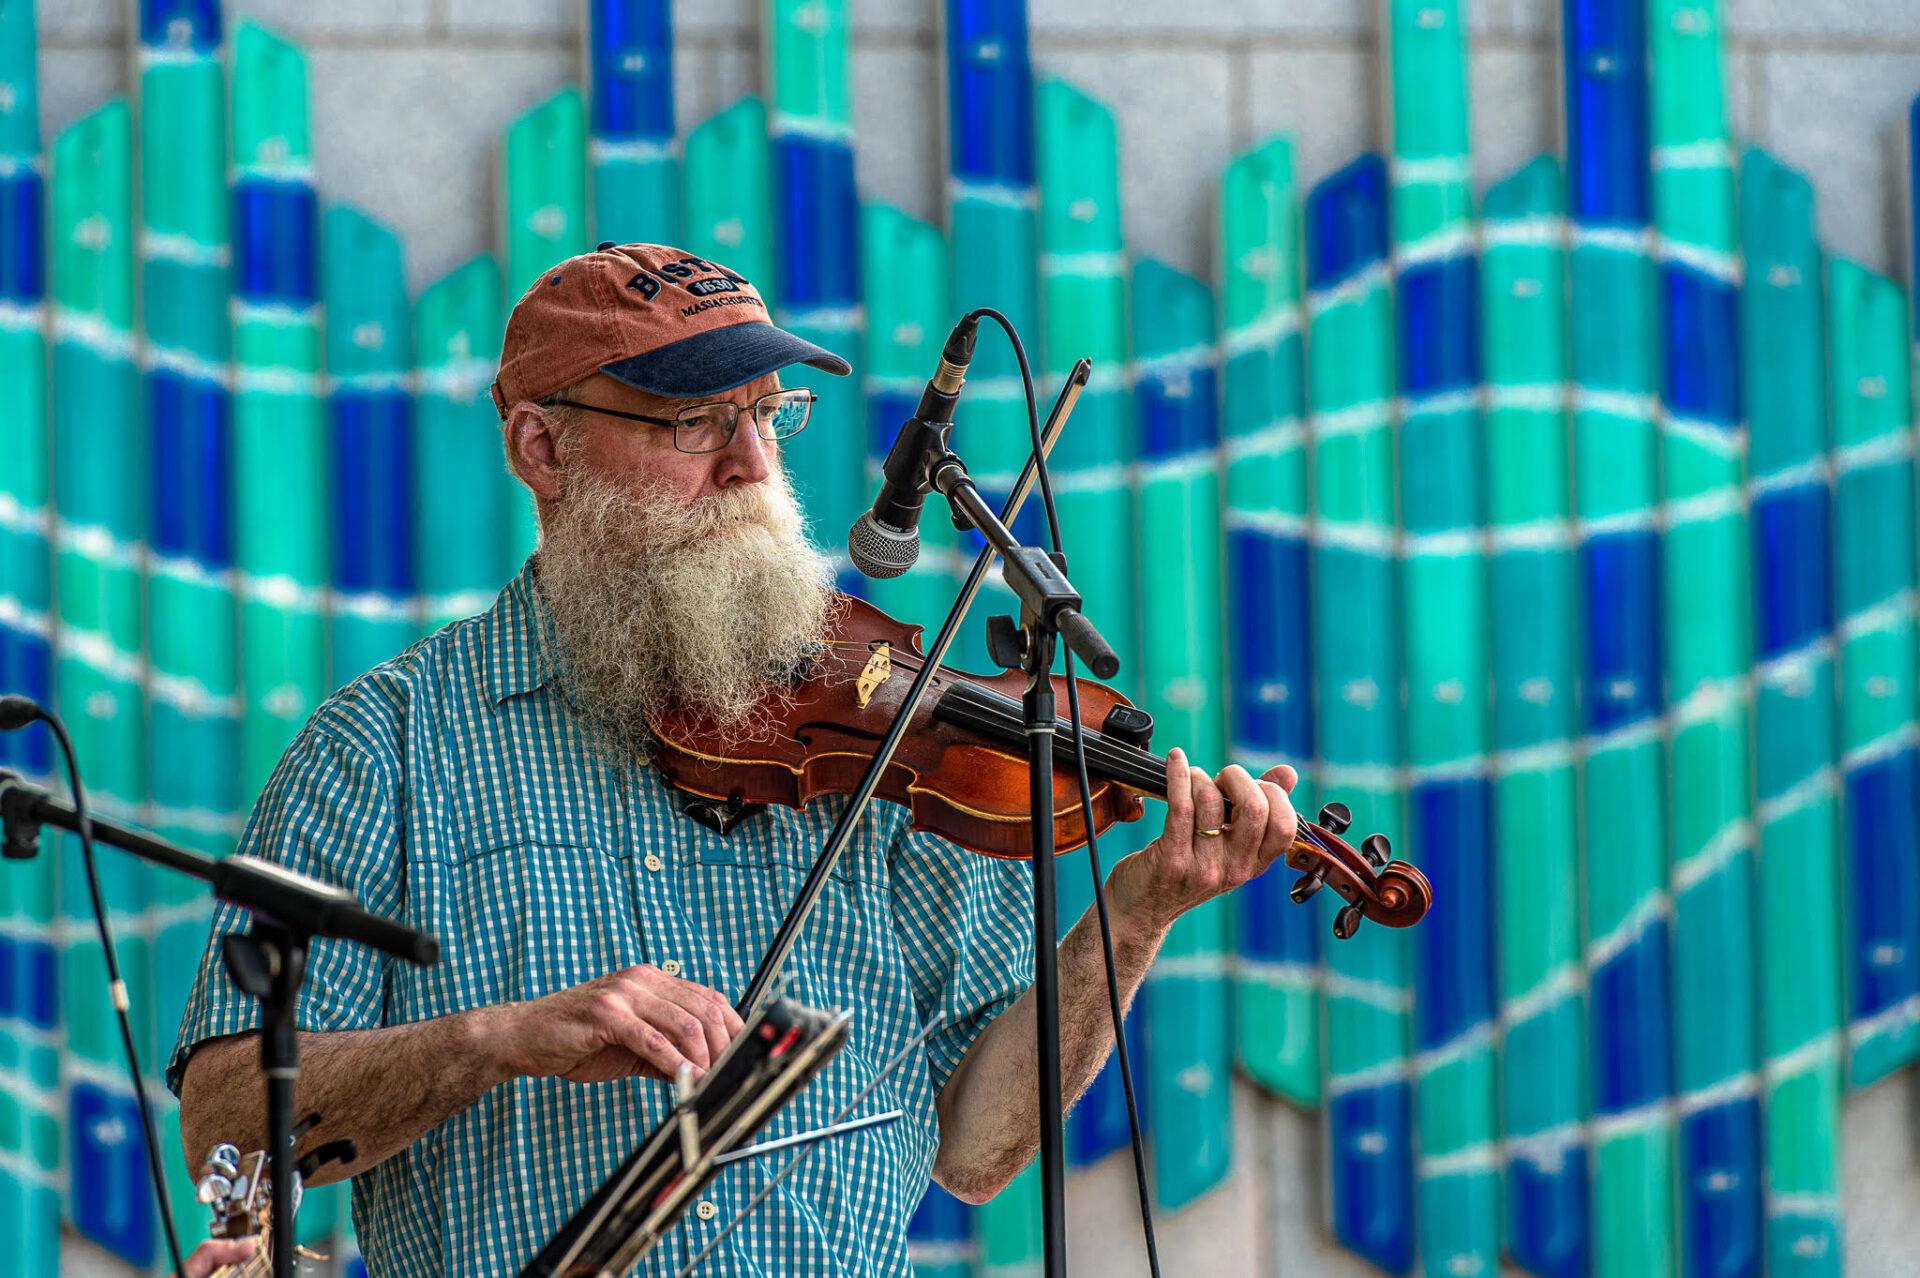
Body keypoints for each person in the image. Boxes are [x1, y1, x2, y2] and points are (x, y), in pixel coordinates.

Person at [168, 243, 1299, 1277]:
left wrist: (1137, 913)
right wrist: (495, 1040)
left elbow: (975, 1149)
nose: (753, 465)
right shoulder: (387, 747)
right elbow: (225, 1123)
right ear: (541, 447)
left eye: (769, 413)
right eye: (694, 422)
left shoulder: (892, 732)